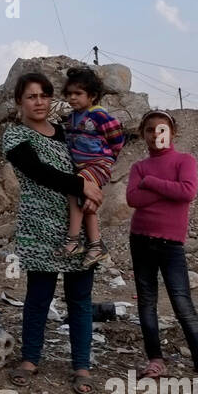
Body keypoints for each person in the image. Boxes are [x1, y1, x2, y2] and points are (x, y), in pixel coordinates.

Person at [1, 72, 104, 394]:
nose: (39, 102)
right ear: (20, 101)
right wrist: (81, 185)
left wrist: (91, 184)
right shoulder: (15, 137)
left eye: (44, 95)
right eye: (31, 96)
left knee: (80, 298)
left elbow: (90, 157)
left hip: (77, 223)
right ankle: (31, 358)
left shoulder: (64, 131)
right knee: (39, 296)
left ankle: (81, 365)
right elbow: (40, 172)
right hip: (38, 225)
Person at [126, 110, 198, 394]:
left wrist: (151, 183)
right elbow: (132, 199)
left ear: (172, 133)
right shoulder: (138, 166)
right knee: (147, 303)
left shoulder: (184, 161)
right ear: (143, 134)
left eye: (161, 129)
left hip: (171, 244)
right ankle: (156, 360)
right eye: (150, 129)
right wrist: (167, 190)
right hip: (140, 239)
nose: (155, 134)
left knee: (182, 304)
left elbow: (187, 192)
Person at [61, 67, 124, 268]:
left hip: (97, 164)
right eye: (69, 94)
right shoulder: (71, 118)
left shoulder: (98, 115)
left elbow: (117, 137)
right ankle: (95, 246)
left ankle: (73, 240)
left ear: (93, 95)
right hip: (81, 166)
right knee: (86, 205)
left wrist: (109, 157)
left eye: (78, 94)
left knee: (74, 189)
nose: (72, 98)